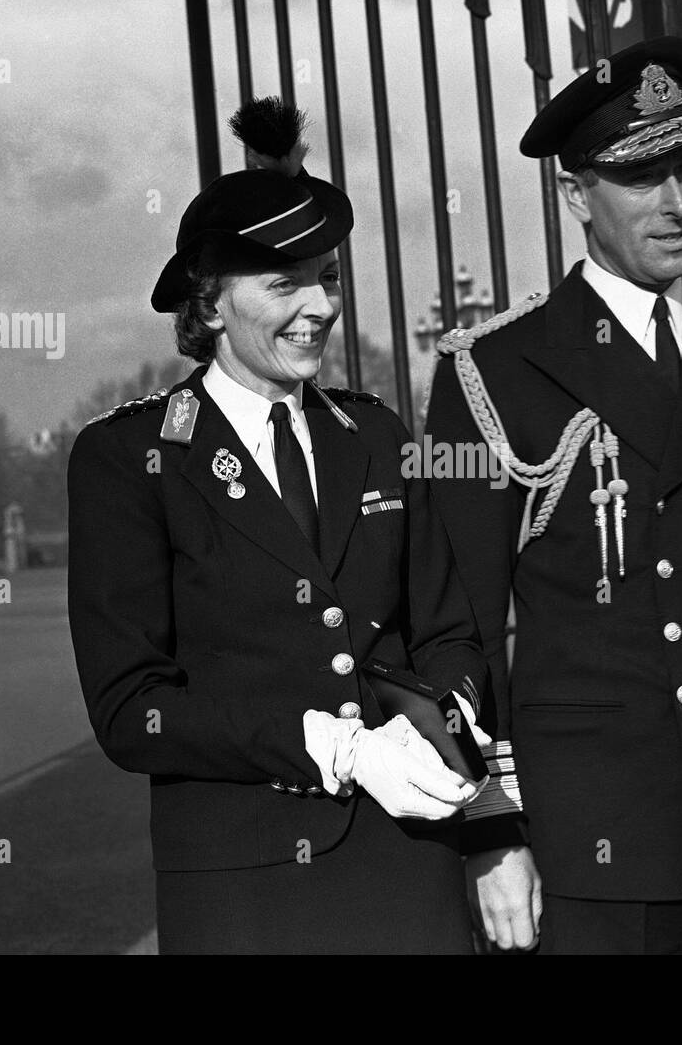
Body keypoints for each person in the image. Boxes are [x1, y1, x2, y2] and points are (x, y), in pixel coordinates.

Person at [425, 36, 682, 955]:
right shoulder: (494, 372)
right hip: (603, 832)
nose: (673, 204)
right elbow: (460, 622)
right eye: (638, 177)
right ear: (576, 195)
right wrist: (491, 829)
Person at [67, 98, 518, 954]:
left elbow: (450, 632)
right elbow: (133, 709)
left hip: (407, 863)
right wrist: (339, 748)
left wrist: (448, 740)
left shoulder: (375, 436)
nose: (319, 306)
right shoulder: (128, 459)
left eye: (329, 277)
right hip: (246, 890)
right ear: (209, 303)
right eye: (285, 284)